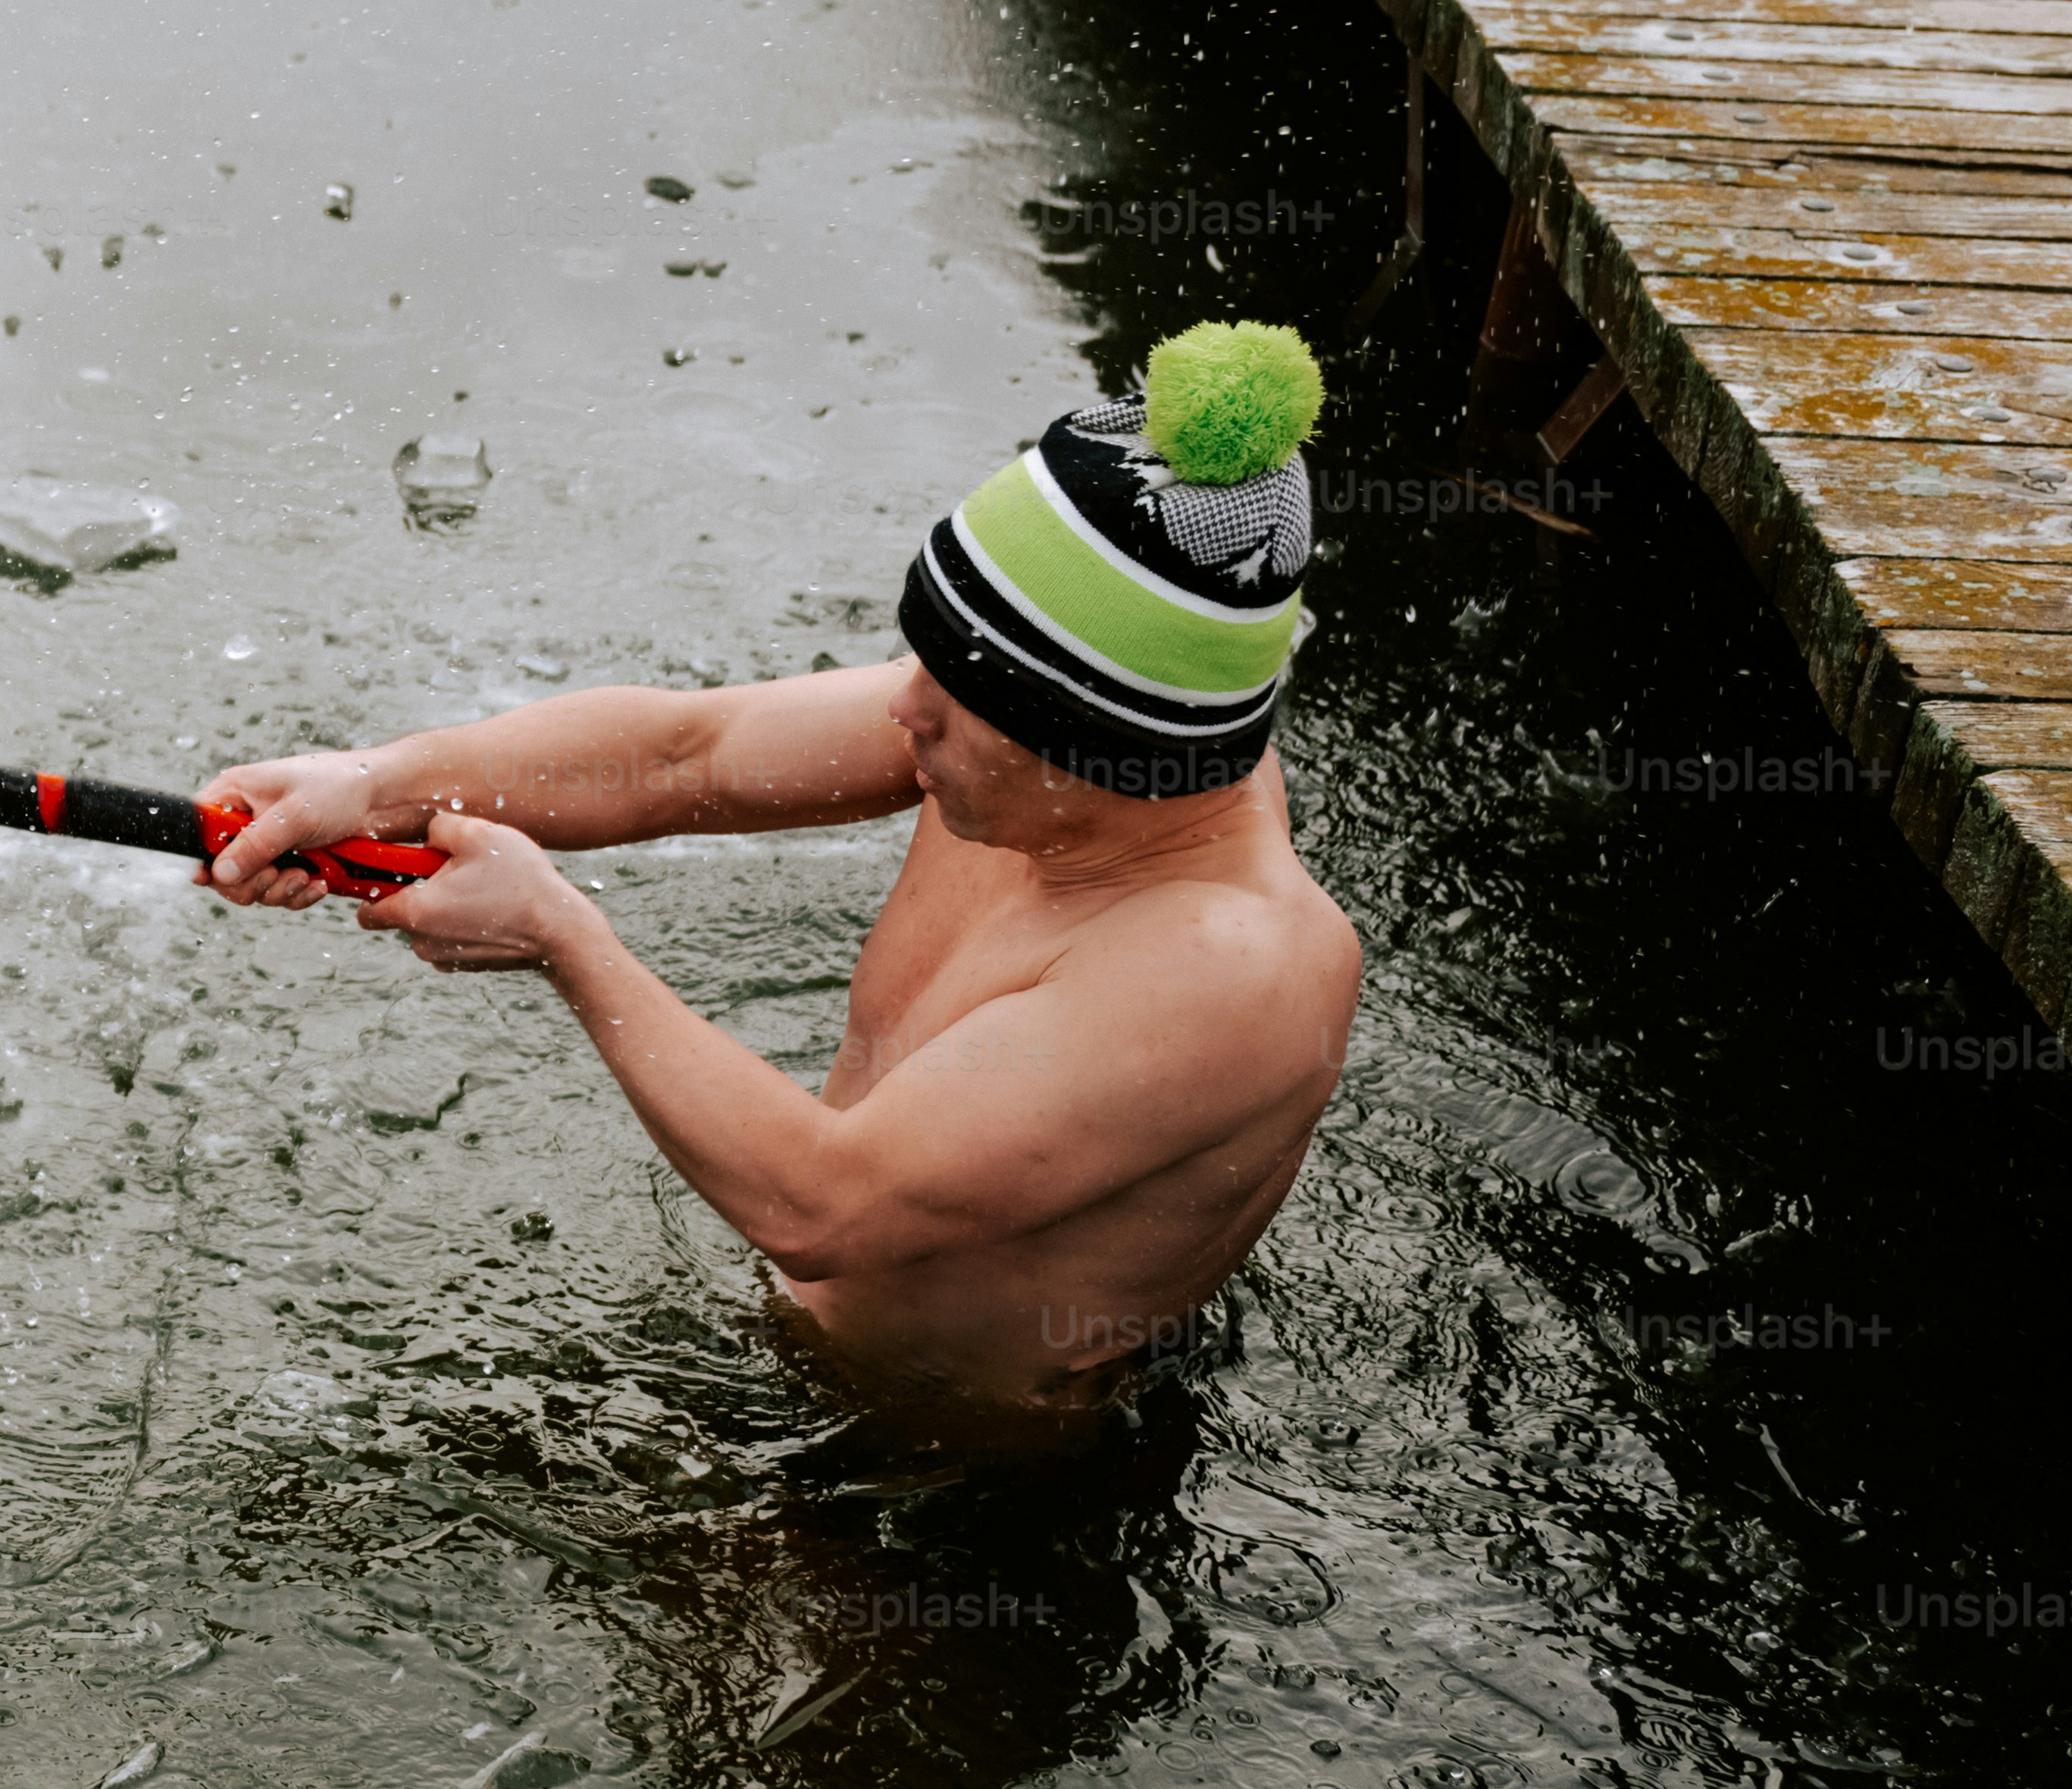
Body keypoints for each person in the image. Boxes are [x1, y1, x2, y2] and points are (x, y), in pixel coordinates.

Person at [200, 322, 1365, 1427]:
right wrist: (378, 784)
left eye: (957, 692)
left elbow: (825, 1206)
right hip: (803, 1345)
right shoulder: (1039, 751)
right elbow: (683, 756)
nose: (901, 712)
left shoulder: (1230, 965)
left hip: (950, 1461)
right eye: (923, 661)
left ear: (1086, 740)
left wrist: (563, 938)